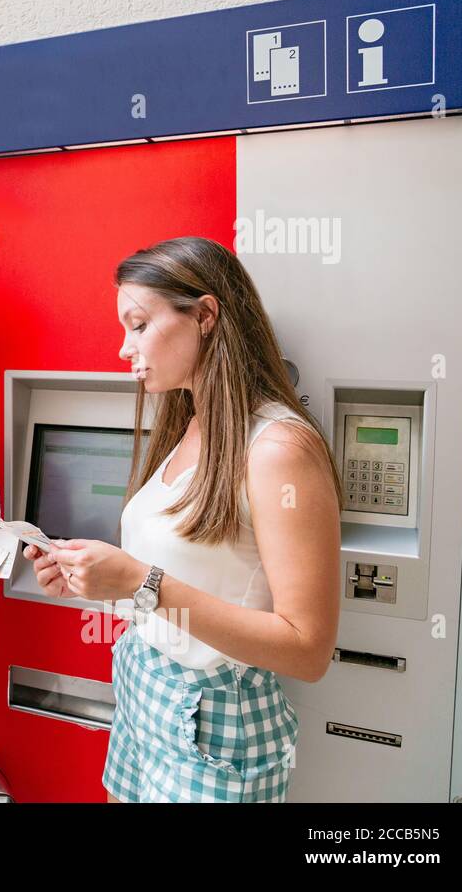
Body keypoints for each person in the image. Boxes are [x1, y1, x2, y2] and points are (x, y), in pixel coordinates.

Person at [25, 236, 341, 803]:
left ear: (205, 315)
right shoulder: (189, 423)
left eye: (139, 324)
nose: (124, 348)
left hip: (218, 720)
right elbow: (179, 576)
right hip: (145, 692)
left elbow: (307, 648)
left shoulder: (279, 449)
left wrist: (138, 581)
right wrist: (92, 578)